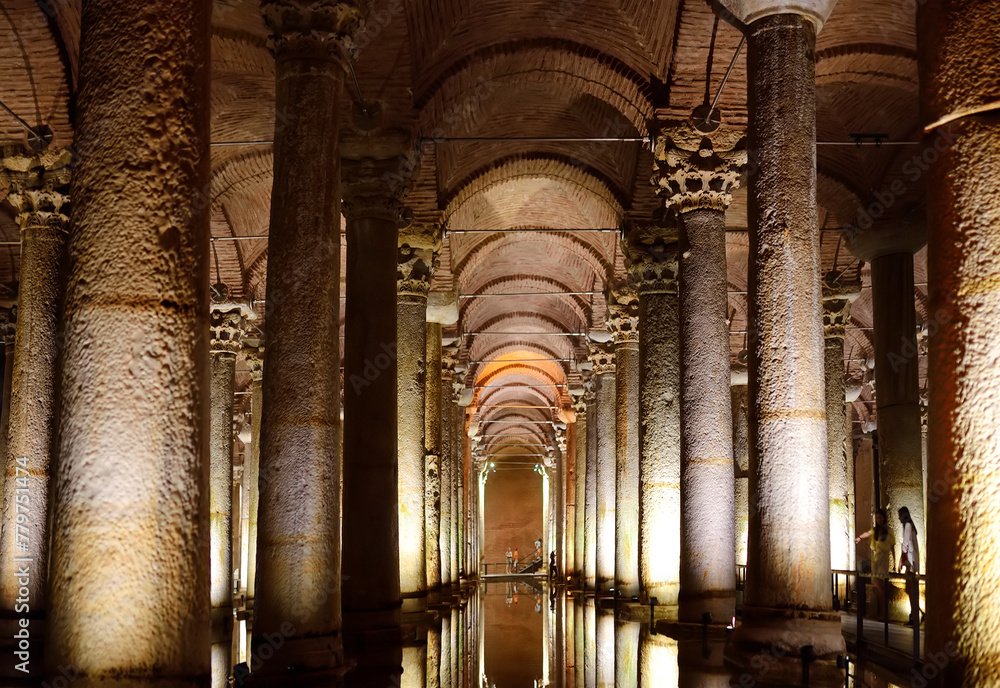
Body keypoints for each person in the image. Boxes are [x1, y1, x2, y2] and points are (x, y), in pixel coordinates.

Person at [856, 508, 894, 619]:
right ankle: (881, 612)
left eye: (880, 518)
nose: (878, 520)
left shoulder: (889, 531)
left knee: (879, 584)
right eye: (877, 518)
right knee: (878, 585)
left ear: (884, 518)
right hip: (876, 559)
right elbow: (867, 533)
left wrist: (895, 560)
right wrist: (859, 537)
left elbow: (892, 546)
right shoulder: (875, 530)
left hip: (884, 558)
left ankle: (883, 613)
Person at [898, 506, 922, 625]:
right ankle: (916, 613)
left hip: (911, 561)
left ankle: (915, 615)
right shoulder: (910, 526)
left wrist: (903, 558)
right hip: (911, 561)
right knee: (910, 589)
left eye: (900, 515)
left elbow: (906, 543)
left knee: (911, 589)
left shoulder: (908, 526)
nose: (899, 518)